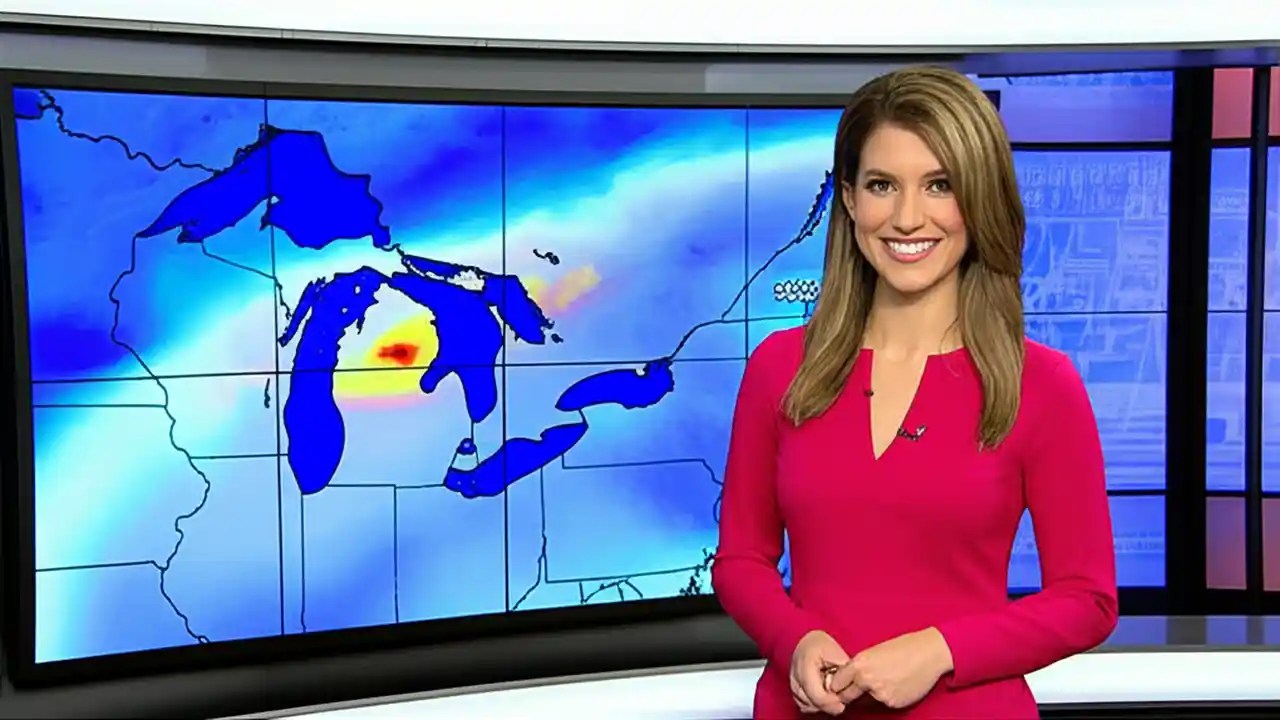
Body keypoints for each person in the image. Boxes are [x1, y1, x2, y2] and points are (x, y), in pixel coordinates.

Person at [711, 66, 1118, 719]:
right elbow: (739, 561)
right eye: (881, 186)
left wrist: (941, 650)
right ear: (848, 200)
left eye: (940, 185)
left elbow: (1087, 599)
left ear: (979, 198)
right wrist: (794, 639)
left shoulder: (1041, 385)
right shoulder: (779, 367)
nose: (906, 217)